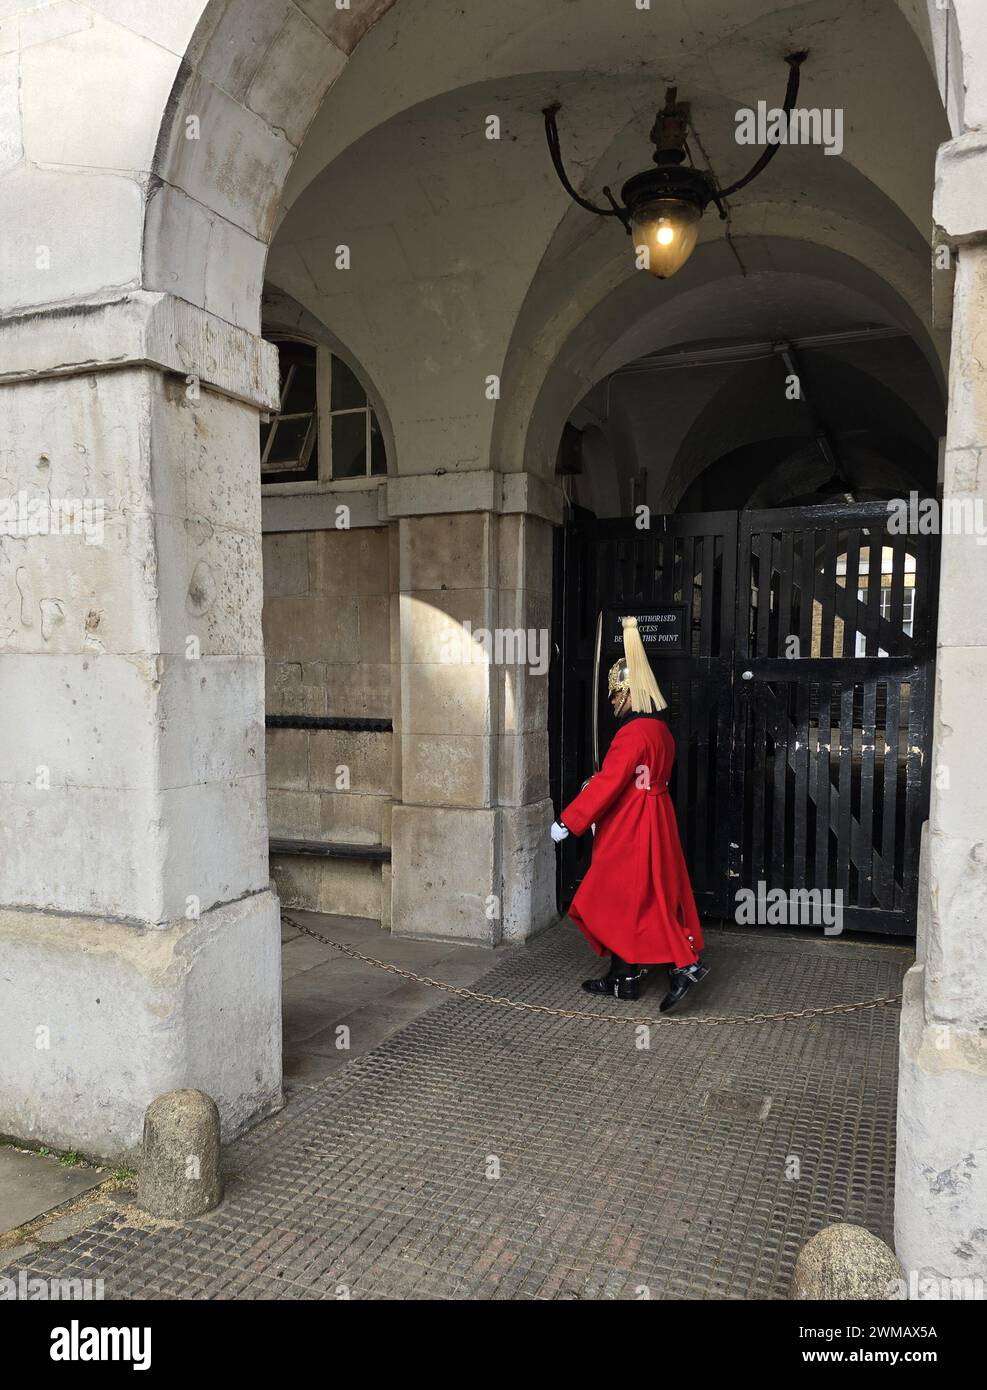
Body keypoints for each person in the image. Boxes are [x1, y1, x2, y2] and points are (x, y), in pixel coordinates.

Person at [550, 615, 709, 1011]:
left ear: (623, 694)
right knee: (643, 898)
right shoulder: (660, 731)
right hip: (657, 816)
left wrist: (569, 820)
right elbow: (641, 777)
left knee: (611, 895)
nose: (612, 705)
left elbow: (611, 783)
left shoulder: (631, 733)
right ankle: (624, 977)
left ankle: (679, 965)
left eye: (614, 697)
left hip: (632, 824)